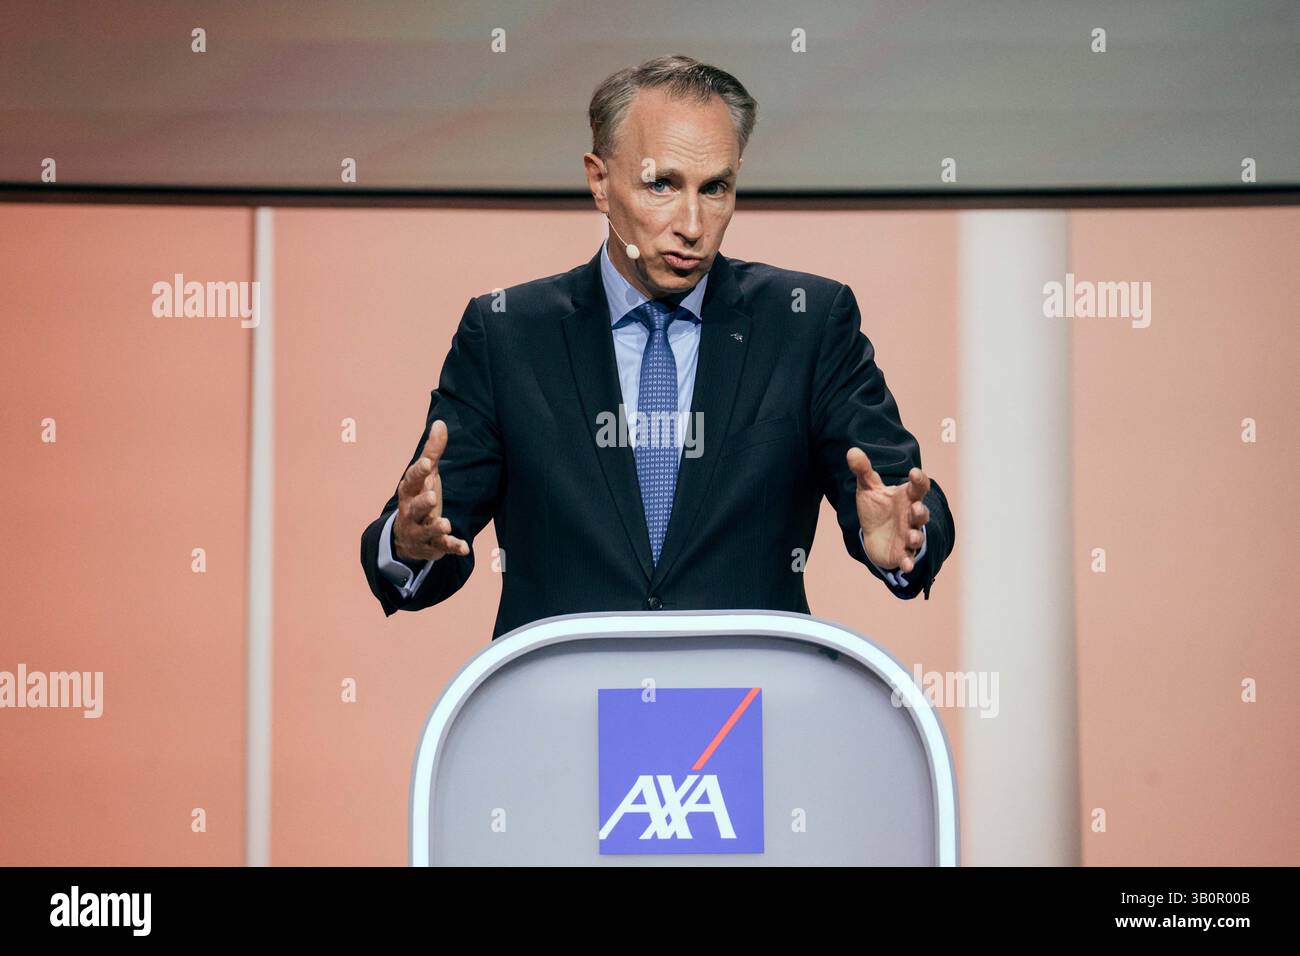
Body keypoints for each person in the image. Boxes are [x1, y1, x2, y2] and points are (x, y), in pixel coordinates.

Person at [360, 55, 954, 640]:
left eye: (715, 187)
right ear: (599, 180)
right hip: (558, 712)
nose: (692, 224)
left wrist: (904, 539)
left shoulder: (807, 323)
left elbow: (897, 496)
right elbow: (430, 532)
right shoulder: (507, 334)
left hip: (743, 707)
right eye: (662, 184)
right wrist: (407, 544)